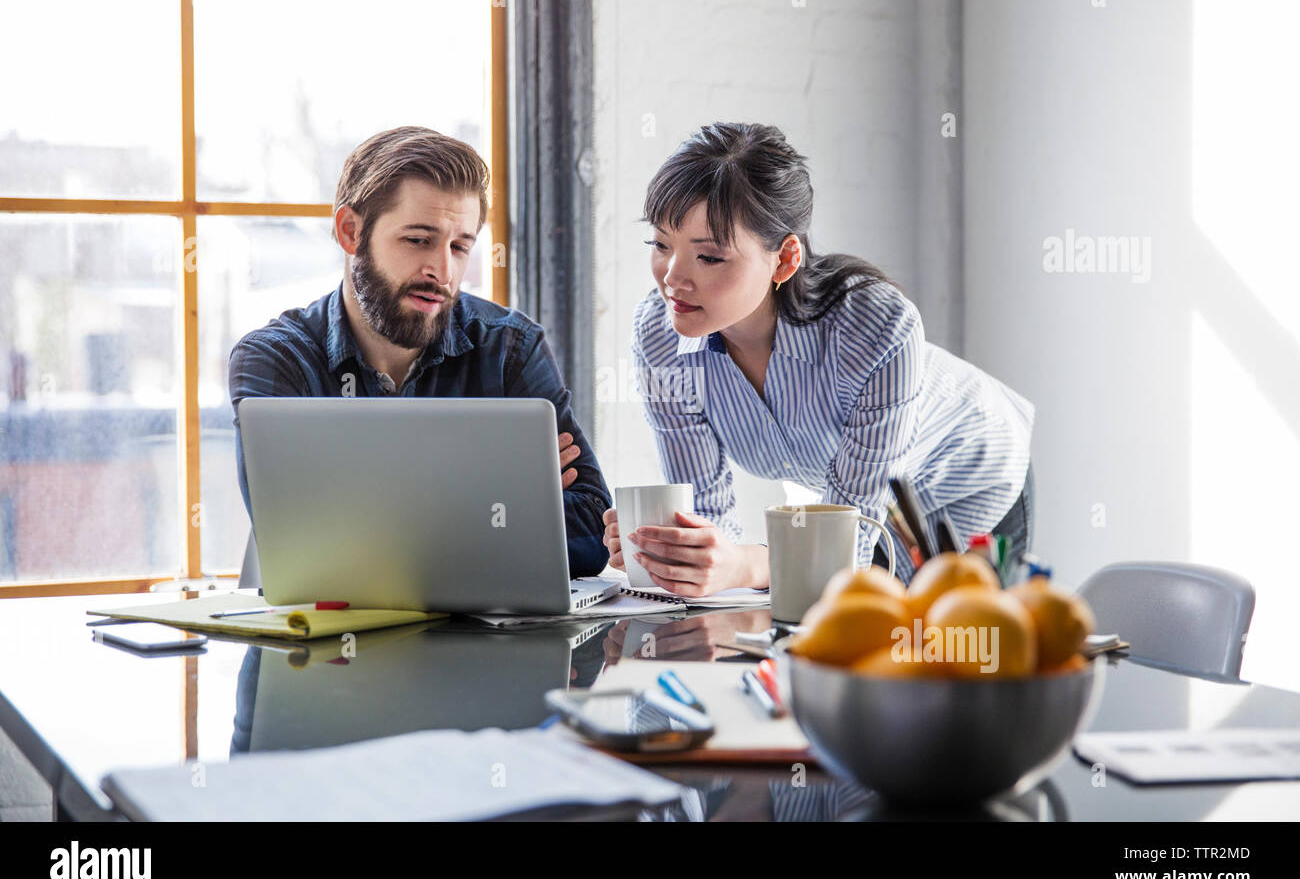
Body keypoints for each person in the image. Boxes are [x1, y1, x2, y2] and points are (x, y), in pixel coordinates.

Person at [601, 122, 1034, 595]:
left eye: (708, 258)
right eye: (661, 245)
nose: (672, 278)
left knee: (953, 651)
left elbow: (853, 545)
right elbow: (706, 518)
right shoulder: (659, 336)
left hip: (967, 481)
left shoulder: (877, 328)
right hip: (864, 513)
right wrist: (675, 554)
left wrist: (747, 566)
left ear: (785, 259)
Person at [228, 126, 610, 577]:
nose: (443, 271)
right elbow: (302, 542)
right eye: (418, 240)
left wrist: (375, 509)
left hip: (481, 643)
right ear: (351, 232)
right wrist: (496, 493)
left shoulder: (510, 348)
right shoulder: (276, 360)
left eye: (460, 246)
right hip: (332, 642)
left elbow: (591, 534)